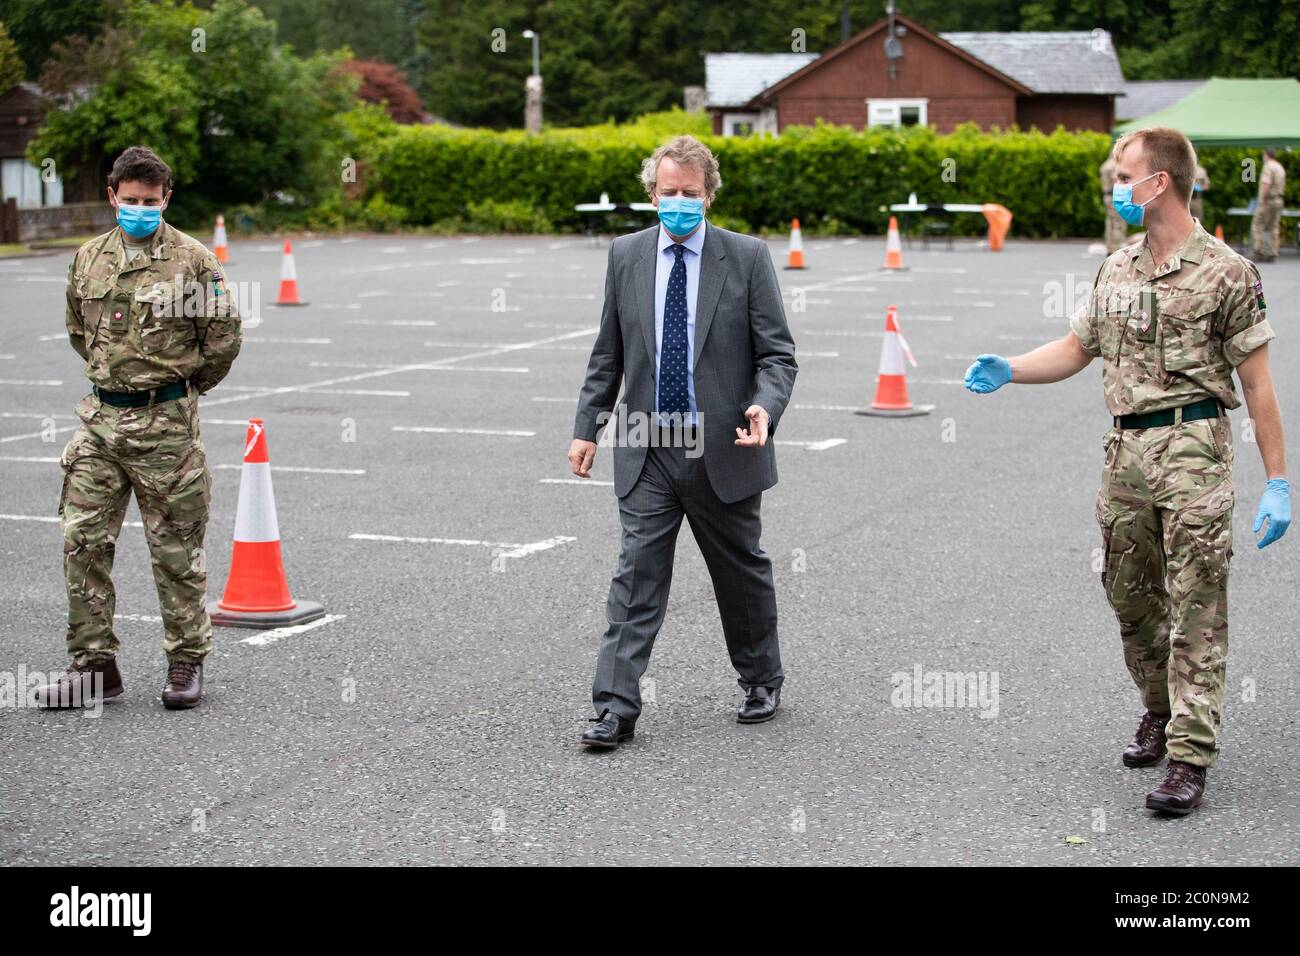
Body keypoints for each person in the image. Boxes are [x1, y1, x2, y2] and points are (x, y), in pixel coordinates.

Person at [964, 127, 1289, 815]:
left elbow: (1259, 385)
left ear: (1160, 181)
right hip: (1126, 457)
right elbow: (1078, 347)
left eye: (1123, 172)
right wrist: (1011, 369)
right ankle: (1160, 706)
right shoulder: (1117, 266)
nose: (1115, 183)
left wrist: (1279, 481)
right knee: (1130, 597)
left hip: (1193, 447)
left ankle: (1191, 754)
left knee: (1197, 600)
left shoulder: (1228, 272)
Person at [569, 135, 798, 748]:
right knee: (636, 573)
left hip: (723, 443)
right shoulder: (626, 256)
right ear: (651, 194)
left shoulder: (745, 258)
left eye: (689, 195)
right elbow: (607, 354)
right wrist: (587, 427)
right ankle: (614, 708)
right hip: (647, 444)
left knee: (738, 570)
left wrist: (764, 407)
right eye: (668, 194)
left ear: (708, 196)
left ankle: (761, 678)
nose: (678, 204)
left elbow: (778, 355)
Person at [34, 146, 242, 711]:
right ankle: (94, 667)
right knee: (83, 543)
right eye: (130, 201)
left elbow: (222, 339)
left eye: (151, 202)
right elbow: (80, 331)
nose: (140, 210)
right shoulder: (87, 258)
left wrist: (175, 390)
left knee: (175, 551)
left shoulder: (193, 261)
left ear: (166, 199)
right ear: (112, 197)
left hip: (166, 430)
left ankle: (185, 662)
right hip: (99, 424)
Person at [1249, 148, 1287, 262]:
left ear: (1266, 155)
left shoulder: (1268, 166)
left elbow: (1266, 183)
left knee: (1258, 224)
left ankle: (1258, 250)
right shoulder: (1280, 167)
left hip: (1268, 200)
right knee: (1274, 226)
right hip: (1278, 200)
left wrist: (1262, 199)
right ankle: (1272, 252)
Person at [1100, 154, 1128, 253]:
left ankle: (1109, 245)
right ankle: (1116, 247)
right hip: (1114, 195)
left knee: (1109, 222)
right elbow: (1116, 180)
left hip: (1107, 195)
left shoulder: (1105, 165)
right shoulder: (1114, 166)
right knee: (1118, 223)